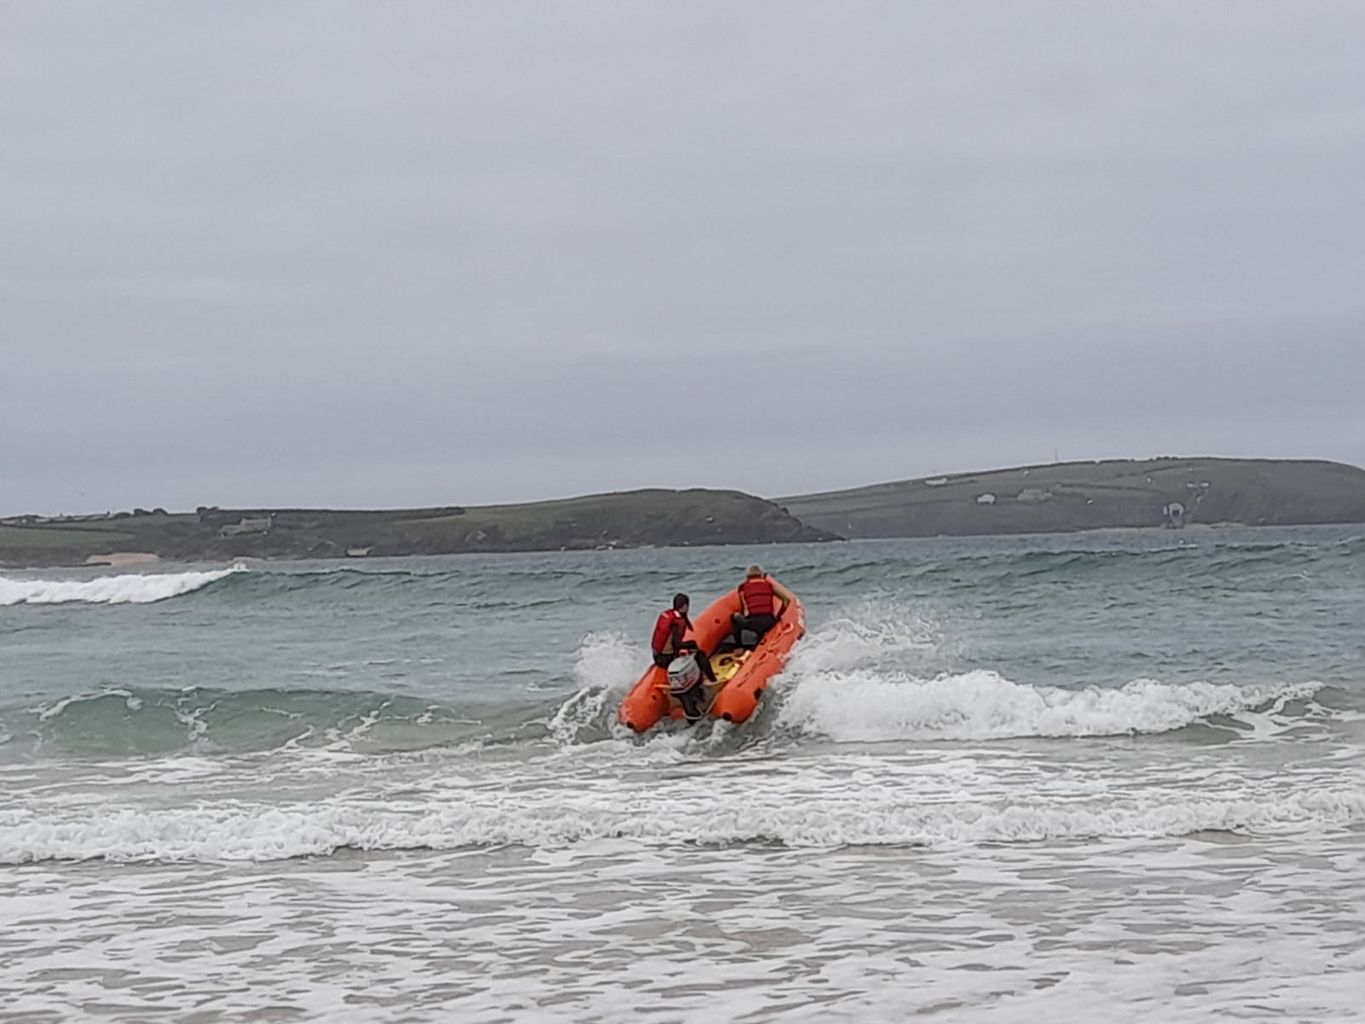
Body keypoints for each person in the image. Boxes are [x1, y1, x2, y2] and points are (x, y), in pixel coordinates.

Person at [651, 593, 716, 720]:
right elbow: (676, 644)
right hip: (667, 658)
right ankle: (712, 681)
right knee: (700, 656)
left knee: (691, 653)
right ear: (685, 606)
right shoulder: (678, 622)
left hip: (658, 656)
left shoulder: (667, 615)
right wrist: (691, 645)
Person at [729, 565, 794, 649]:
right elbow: (787, 600)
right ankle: (761, 638)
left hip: (754, 622)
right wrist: (779, 617)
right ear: (761, 575)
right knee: (762, 624)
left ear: (747, 576)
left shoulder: (743, 587)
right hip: (769, 622)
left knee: (734, 617)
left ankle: (739, 646)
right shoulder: (769, 585)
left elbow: (743, 607)